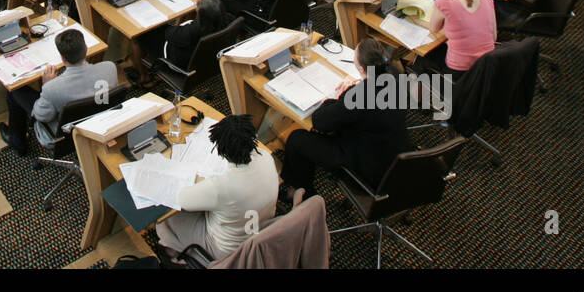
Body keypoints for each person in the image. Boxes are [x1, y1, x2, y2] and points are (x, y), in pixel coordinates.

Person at [280, 37, 412, 202]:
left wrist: (335, 99)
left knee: (296, 139)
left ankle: (304, 193)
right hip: (396, 156)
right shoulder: (395, 75)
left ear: (362, 70)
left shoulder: (360, 96)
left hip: (365, 169)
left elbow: (320, 122)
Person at [155, 114, 278, 262]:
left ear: (219, 147)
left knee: (166, 218)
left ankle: (174, 250)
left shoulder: (222, 187)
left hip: (228, 250)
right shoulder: (266, 157)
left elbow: (181, 200)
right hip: (260, 229)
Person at [0, 27, 117, 156]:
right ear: (86, 48)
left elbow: (40, 116)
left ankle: (17, 140)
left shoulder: (53, 88)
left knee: (15, 92)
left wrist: (46, 85)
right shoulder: (110, 68)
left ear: (63, 58)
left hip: (63, 136)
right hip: (101, 123)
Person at [427, 0, 496, 78]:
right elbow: (493, 36)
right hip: (488, 63)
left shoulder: (444, 2)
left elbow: (434, 28)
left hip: (459, 69)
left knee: (421, 60)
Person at [148, 0, 232, 70]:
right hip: (208, 58)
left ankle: (144, 77)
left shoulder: (193, 30)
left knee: (149, 34)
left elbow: (169, 34)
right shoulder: (227, 20)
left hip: (182, 63)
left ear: (203, 15)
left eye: (198, 8)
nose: (196, 8)